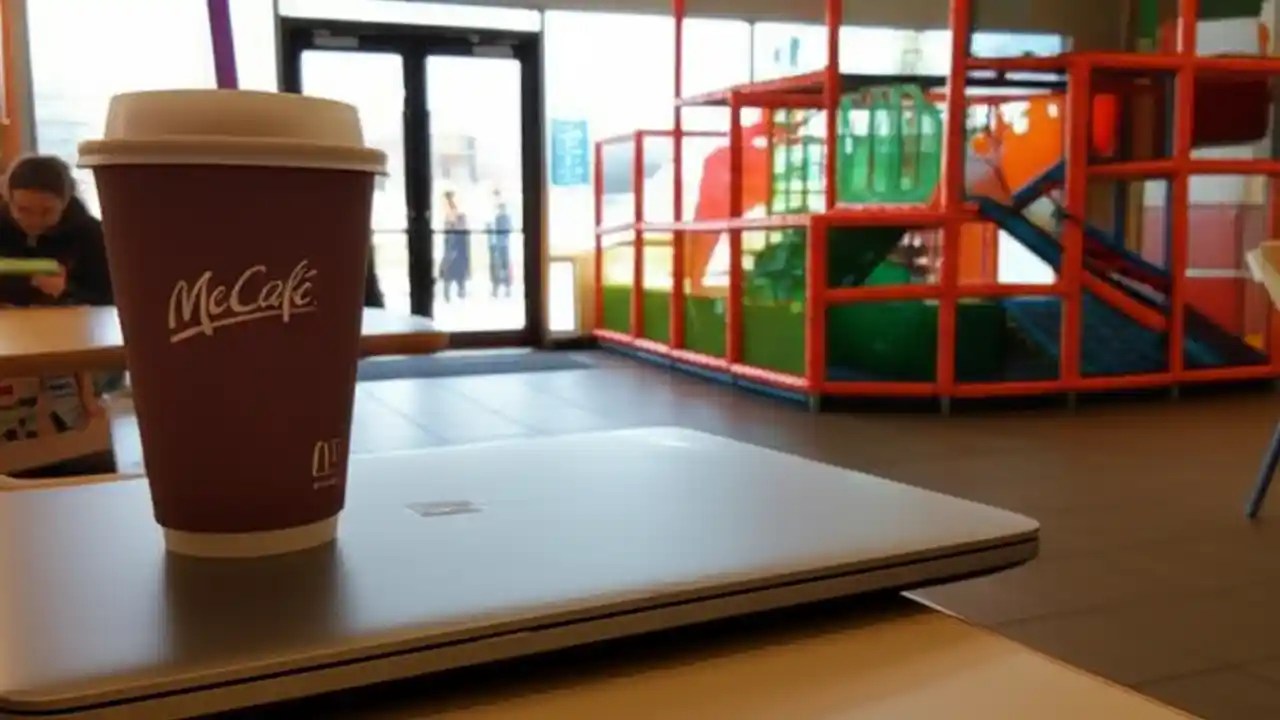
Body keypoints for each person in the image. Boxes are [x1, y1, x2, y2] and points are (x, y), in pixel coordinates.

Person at [0, 155, 112, 308]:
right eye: (23, 210)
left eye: (47, 211)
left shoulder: (90, 234)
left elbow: (110, 297)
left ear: (65, 202)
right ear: (9, 201)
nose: (34, 220)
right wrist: (21, 284)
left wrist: (66, 291)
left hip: (69, 326)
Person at [438, 190, 470, 303]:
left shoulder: (457, 216)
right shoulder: (450, 216)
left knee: (456, 267)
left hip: (457, 240)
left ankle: (459, 289)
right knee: (451, 267)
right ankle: (453, 290)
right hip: (453, 240)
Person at [487, 189, 512, 298]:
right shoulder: (494, 213)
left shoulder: (503, 215)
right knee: (496, 266)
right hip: (495, 244)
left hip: (501, 244)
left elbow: (507, 229)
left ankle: (505, 288)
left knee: (503, 265)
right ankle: (496, 288)